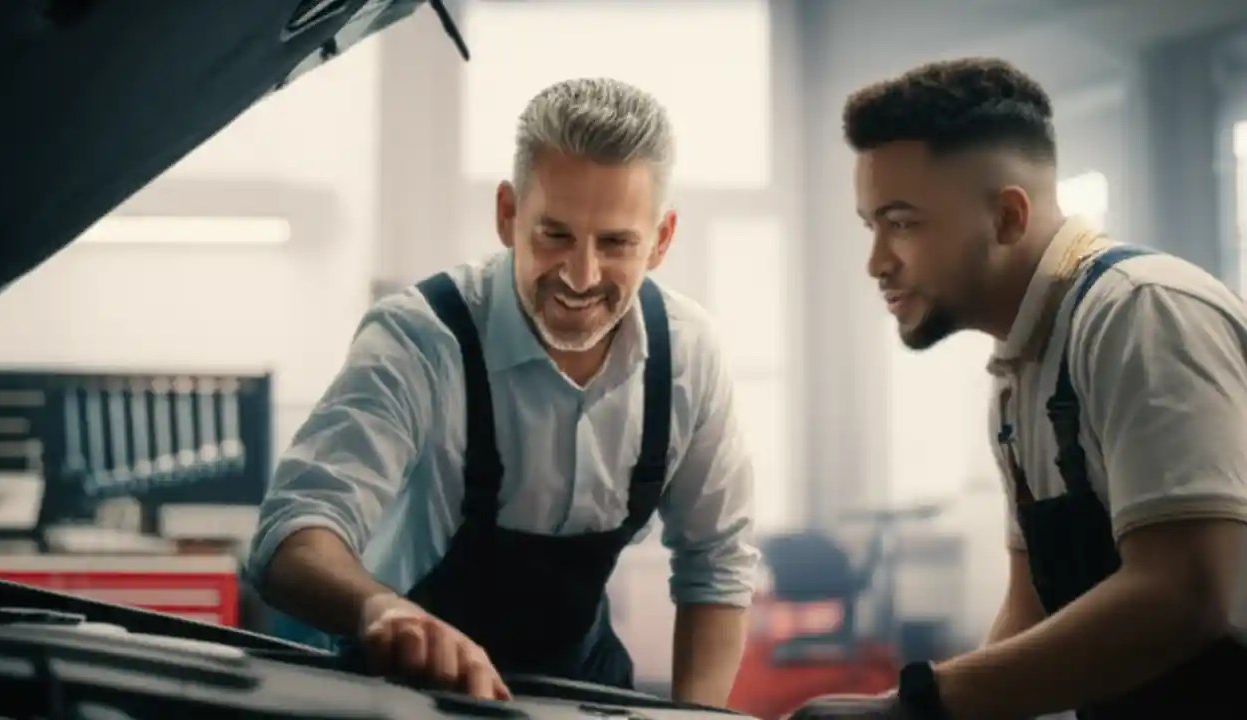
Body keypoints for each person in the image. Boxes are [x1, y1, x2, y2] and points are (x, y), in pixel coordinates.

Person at [246, 77, 759, 706]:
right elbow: (291, 536)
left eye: (617, 242)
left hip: (580, 689)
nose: (581, 275)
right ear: (508, 215)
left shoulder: (687, 354)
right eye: (555, 234)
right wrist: (380, 611)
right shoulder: (420, 339)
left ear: (662, 239)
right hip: (408, 694)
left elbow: (716, 564)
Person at [790, 57, 1247, 719]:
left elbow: (1185, 594)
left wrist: (921, 706)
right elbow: (1030, 609)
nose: (877, 262)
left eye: (904, 222)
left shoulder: (1139, 312)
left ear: (1007, 217)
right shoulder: (1020, 372)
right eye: (871, 226)